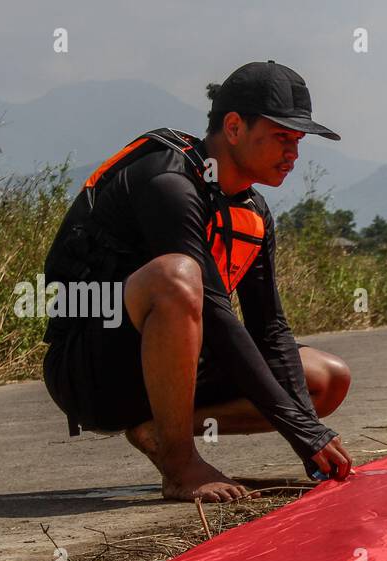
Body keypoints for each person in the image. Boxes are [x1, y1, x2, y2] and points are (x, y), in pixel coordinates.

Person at [41, 61, 352, 502]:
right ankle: (179, 463)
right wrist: (300, 430)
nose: (293, 155)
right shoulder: (167, 181)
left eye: (298, 142)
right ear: (233, 126)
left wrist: (309, 431)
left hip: (175, 367)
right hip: (93, 370)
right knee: (177, 275)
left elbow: (269, 330)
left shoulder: (253, 211)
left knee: (328, 378)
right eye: (283, 137)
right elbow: (212, 312)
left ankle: (157, 428)